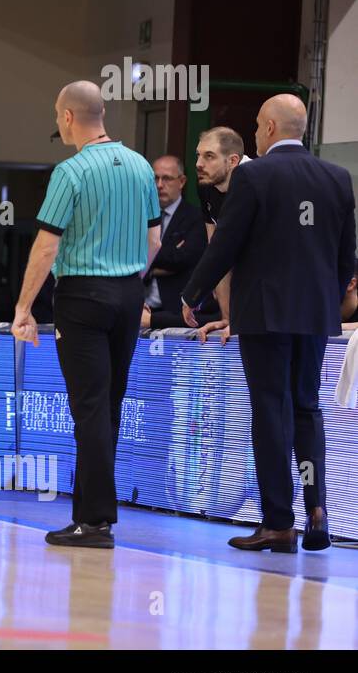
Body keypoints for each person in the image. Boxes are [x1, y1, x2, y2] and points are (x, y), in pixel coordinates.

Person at [181, 95, 356, 554]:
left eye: (259, 125)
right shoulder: (337, 177)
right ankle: (318, 509)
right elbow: (346, 255)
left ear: (273, 128)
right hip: (315, 315)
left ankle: (279, 522)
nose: (256, 133)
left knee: (270, 413)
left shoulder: (254, 174)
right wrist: (329, 300)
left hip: (265, 313)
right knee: (306, 408)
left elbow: (227, 246)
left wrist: (193, 292)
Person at [10, 81, 161, 549]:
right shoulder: (140, 165)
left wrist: (23, 306)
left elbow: (47, 243)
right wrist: (128, 282)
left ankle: (94, 522)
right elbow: (154, 239)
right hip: (128, 293)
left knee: (90, 408)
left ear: (69, 117)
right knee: (109, 406)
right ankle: (96, 516)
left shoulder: (70, 172)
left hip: (83, 297)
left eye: (58, 116)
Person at [193, 126, 250, 342]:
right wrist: (229, 318)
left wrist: (244, 320)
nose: (199, 164)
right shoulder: (206, 185)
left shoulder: (257, 183)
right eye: (198, 155)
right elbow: (216, 251)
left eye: (209, 156)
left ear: (233, 161)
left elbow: (265, 260)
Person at [141, 155, 208, 330]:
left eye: (167, 178)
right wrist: (160, 263)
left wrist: (147, 258)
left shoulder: (197, 218)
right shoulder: (139, 217)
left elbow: (183, 259)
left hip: (176, 309)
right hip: (141, 306)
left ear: (182, 181)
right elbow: (126, 255)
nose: (159, 185)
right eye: (155, 178)